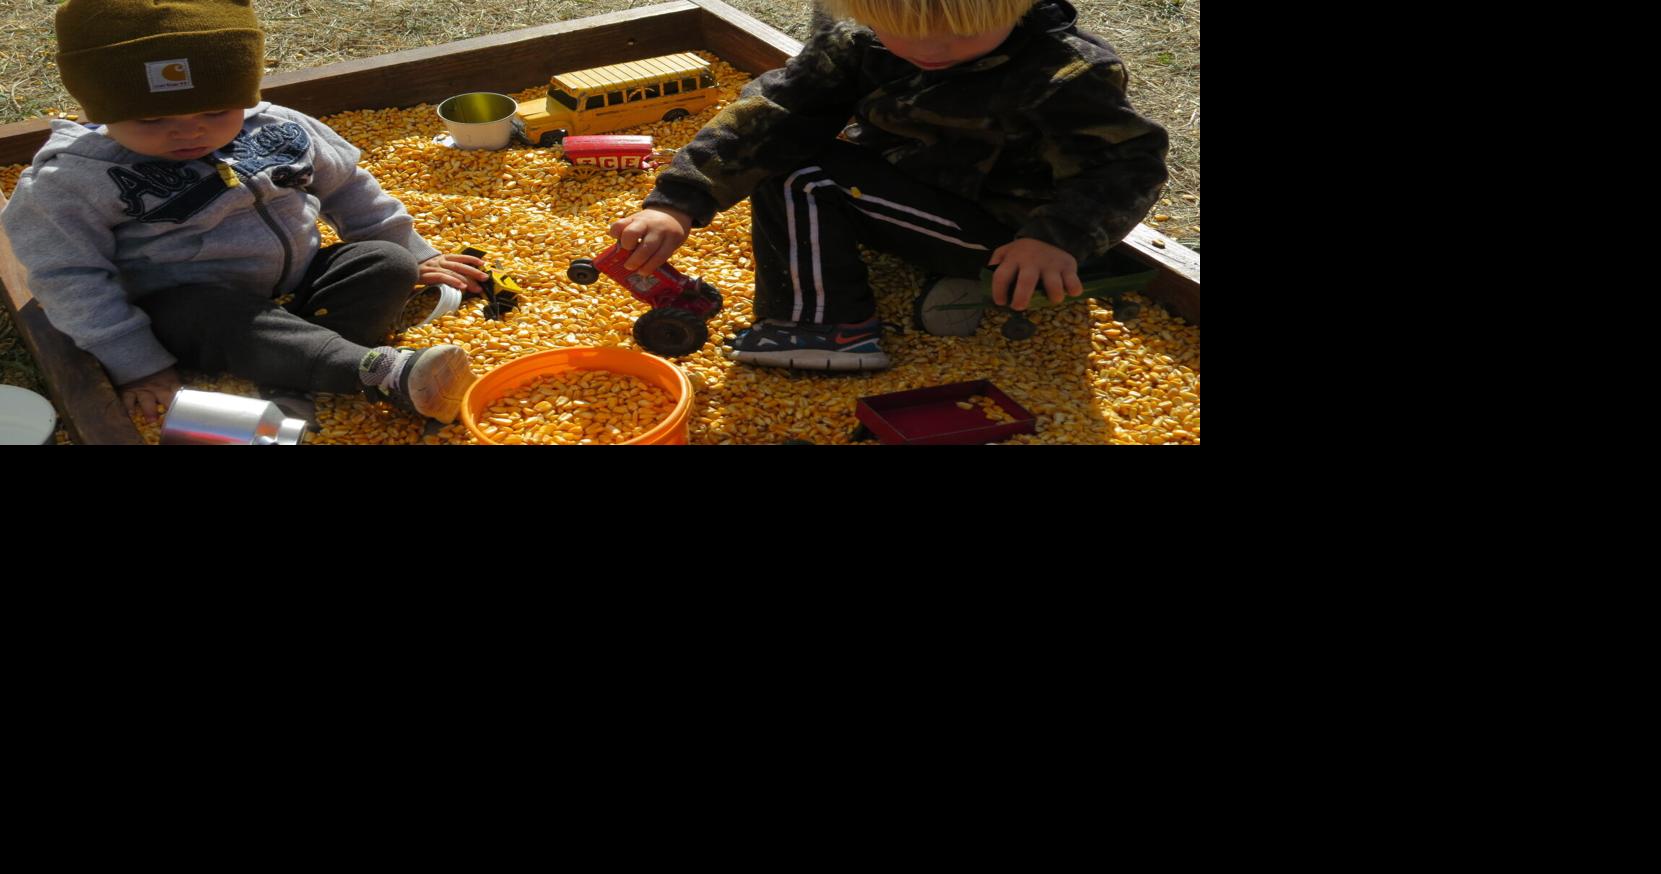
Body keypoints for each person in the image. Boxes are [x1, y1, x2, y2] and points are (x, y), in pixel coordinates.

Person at [608, 0, 1169, 371]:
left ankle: (828, 331)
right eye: (895, 31)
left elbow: (1126, 164)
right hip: (918, 185)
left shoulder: (1064, 74)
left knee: (803, 175)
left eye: (961, 31)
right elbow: (781, 109)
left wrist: (1056, 238)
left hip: (1005, 234)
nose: (930, 49)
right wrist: (679, 201)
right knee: (787, 147)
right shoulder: (857, 35)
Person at [0, 0, 489, 423]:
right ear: (100, 108)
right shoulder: (73, 181)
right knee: (213, 312)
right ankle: (375, 372)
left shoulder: (279, 128)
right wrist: (138, 363)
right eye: (153, 119)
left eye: (216, 112)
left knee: (386, 263)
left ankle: (296, 364)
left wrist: (413, 251)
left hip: (297, 284)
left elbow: (349, 188)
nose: (188, 132)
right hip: (191, 311)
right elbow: (70, 278)